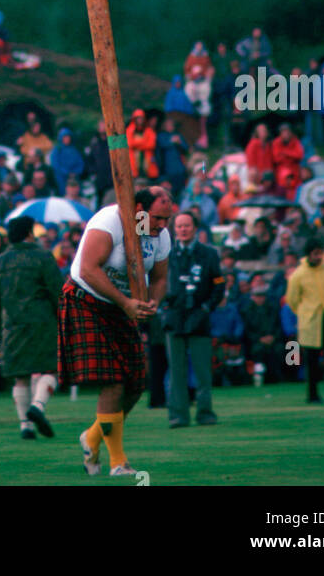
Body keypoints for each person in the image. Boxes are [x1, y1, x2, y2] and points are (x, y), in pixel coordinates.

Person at [59, 186, 174, 478]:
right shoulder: (109, 220)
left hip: (125, 307)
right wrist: (125, 302)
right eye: (158, 218)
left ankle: (93, 437)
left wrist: (153, 303)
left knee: (136, 382)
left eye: (167, 219)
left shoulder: (161, 237)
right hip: (87, 301)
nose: (162, 225)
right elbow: (87, 268)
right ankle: (118, 462)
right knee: (112, 381)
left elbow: (160, 278)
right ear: (139, 209)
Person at [0, 214, 62, 439]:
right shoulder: (43, 257)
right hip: (42, 322)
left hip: (11, 325)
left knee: (19, 376)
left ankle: (25, 425)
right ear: (29, 233)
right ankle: (38, 407)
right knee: (50, 369)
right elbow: (57, 292)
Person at [162, 210, 224, 427]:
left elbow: (219, 285)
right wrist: (164, 307)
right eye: (179, 226)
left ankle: (205, 413)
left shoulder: (209, 254)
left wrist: (207, 308)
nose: (183, 230)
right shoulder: (166, 254)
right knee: (176, 370)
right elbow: (156, 283)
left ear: (195, 228)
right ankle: (178, 415)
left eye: (186, 225)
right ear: (174, 229)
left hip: (199, 315)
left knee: (202, 371)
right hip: (174, 315)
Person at [285, 235, 324, 403]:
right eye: (316, 253)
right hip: (311, 321)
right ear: (308, 254)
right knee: (311, 360)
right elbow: (292, 299)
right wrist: (305, 311)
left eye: (321, 253)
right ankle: (312, 394)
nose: (319, 257)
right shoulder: (298, 275)